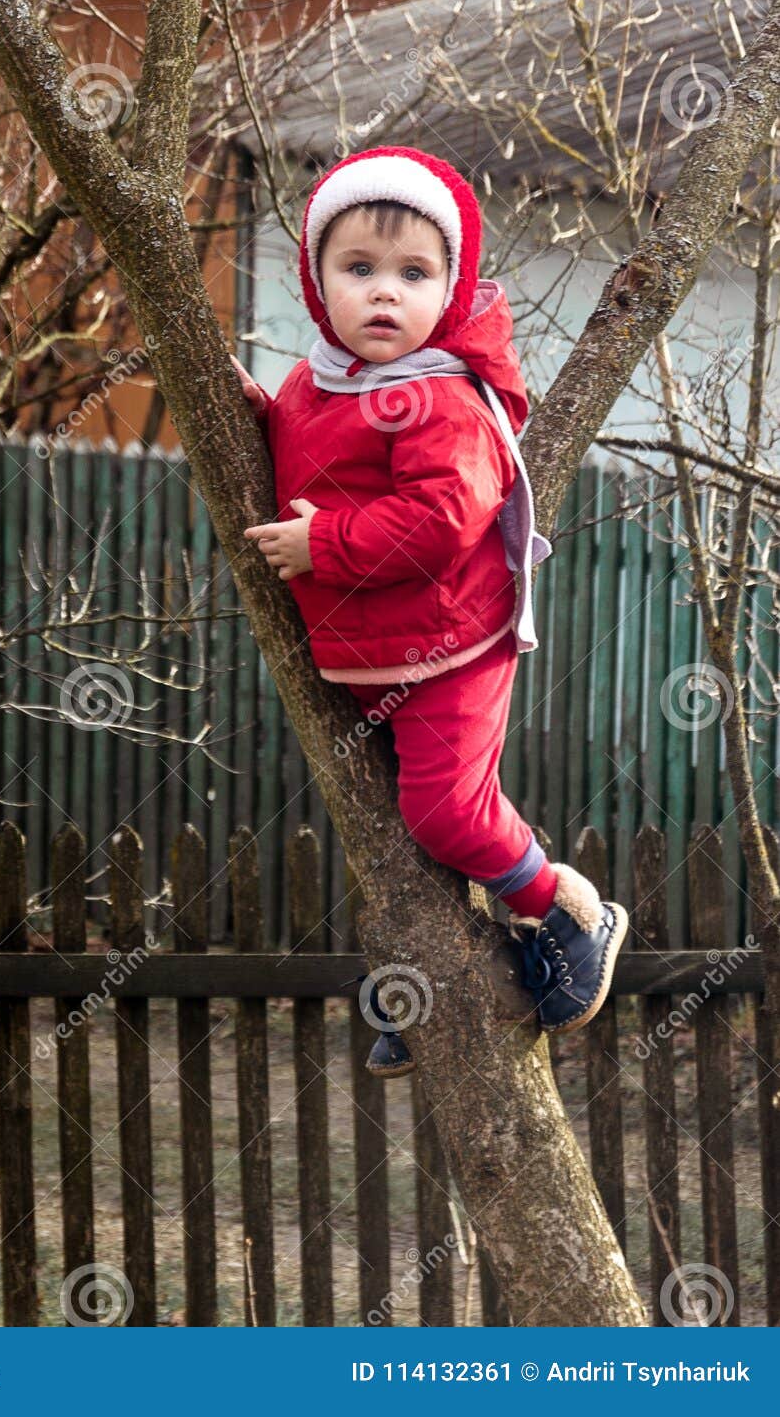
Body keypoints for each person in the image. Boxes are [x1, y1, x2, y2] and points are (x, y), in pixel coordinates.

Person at [234, 145, 627, 1077]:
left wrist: (323, 544)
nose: (384, 293)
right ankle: (441, 983)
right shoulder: (313, 385)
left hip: (452, 644)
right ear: (316, 280)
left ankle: (565, 912)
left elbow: (443, 518)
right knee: (393, 840)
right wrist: (239, 405)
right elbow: (290, 445)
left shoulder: (437, 396)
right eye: (358, 269)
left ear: (448, 290)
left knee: (446, 814)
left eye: (413, 274)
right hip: (372, 653)